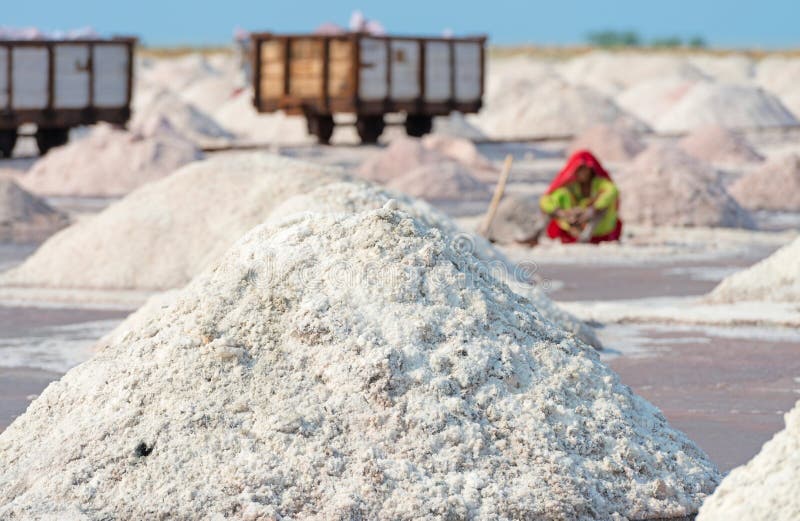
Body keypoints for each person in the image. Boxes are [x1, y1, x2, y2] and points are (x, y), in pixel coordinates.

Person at [539, 150, 622, 244]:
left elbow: (613, 191)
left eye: (584, 169)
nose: (582, 173)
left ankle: (585, 237)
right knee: (555, 202)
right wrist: (561, 213)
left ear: (591, 170)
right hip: (572, 221)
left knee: (603, 207)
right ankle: (536, 235)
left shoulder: (600, 184)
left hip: (598, 226)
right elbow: (545, 199)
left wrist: (593, 209)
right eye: (579, 169)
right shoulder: (570, 187)